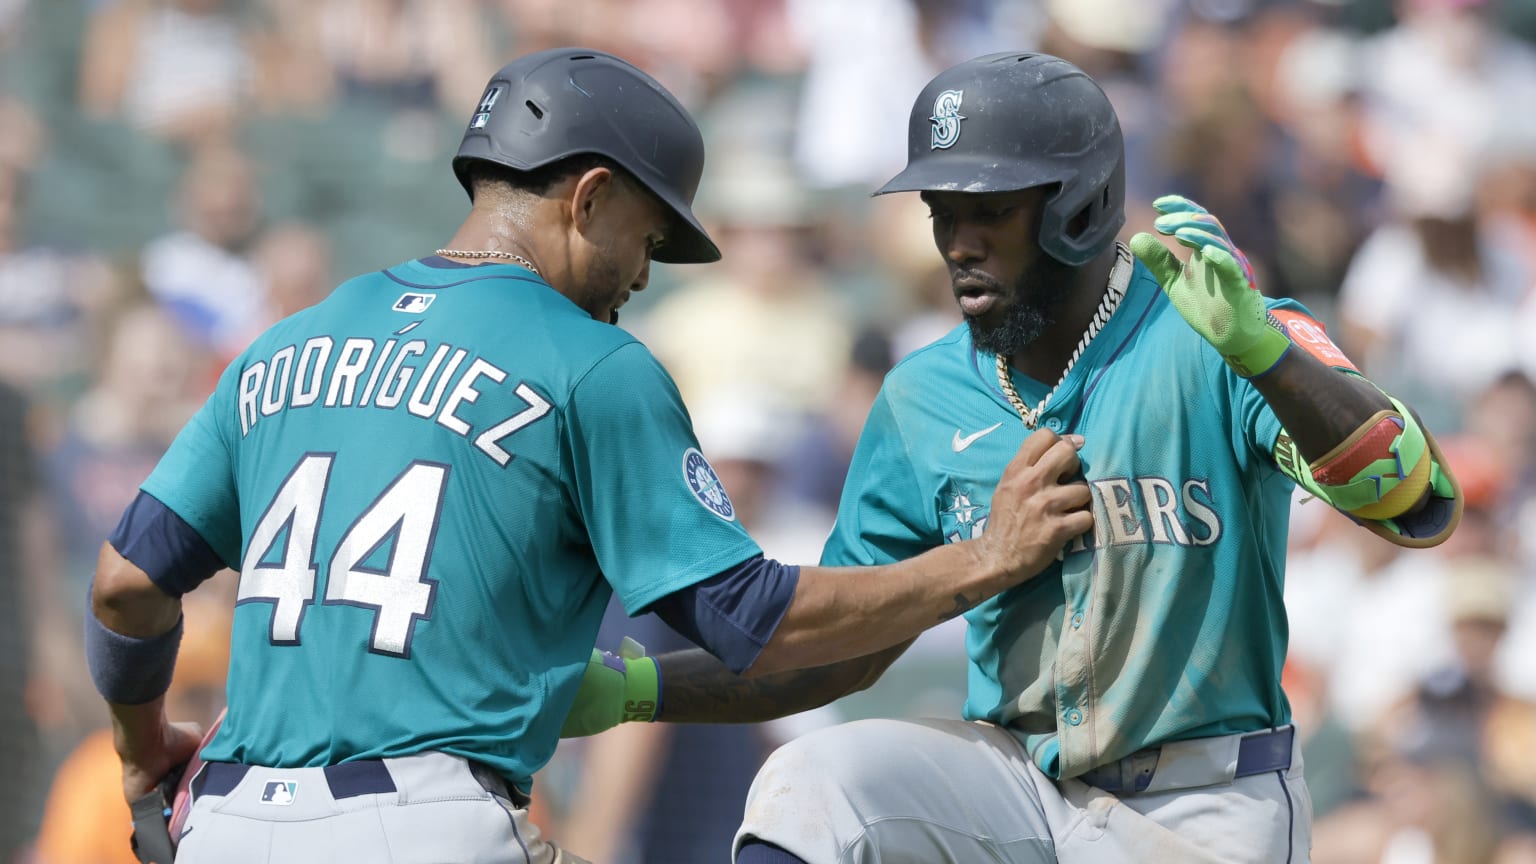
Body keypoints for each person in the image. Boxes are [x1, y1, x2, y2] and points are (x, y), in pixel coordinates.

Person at [85, 47, 1095, 864]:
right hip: (422, 823)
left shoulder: (287, 341)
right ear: (593, 196)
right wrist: (985, 559)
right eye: (649, 239)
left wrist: (142, 749)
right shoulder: (590, 362)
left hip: (225, 824)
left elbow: (126, 585)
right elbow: (752, 621)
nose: (643, 276)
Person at [580, 51, 1465, 864]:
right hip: (1016, 785)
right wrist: (637, 688)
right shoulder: (922, 395)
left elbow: (1416, 502)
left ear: (1080, 206)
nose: (958, 243)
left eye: (990, 211)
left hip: (1205, 797)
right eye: (942, 213)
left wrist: (1268, 357)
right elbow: (844, 651)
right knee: (810, 785)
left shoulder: (1212, 330)